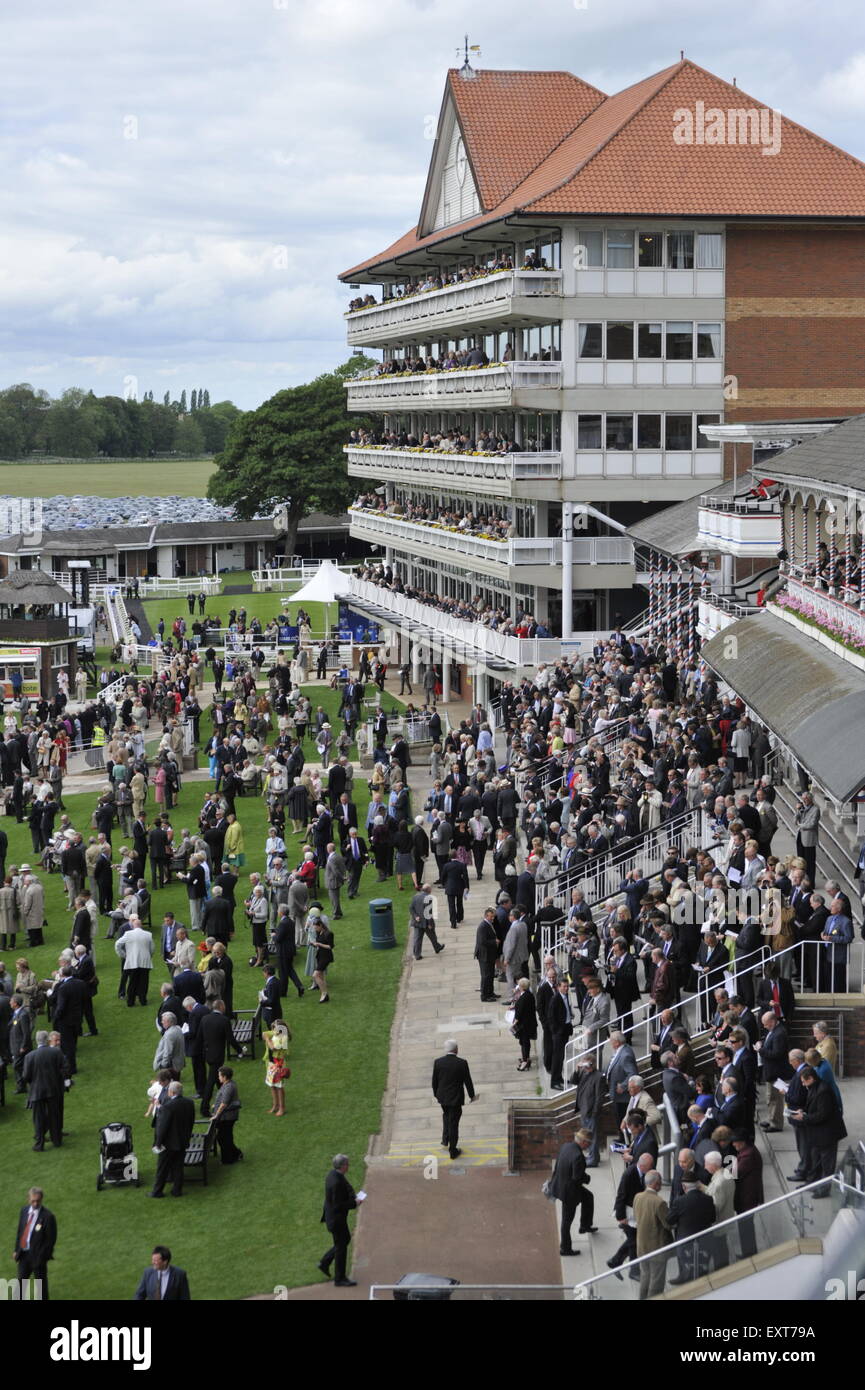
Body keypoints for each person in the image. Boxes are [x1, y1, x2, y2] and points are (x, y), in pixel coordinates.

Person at [319, 1153, 365, 1288]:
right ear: (343, 1166)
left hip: (333, 1217)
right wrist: (355, 1203)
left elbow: (342, 1193)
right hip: (336, 1220)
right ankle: (339, 1279)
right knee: (342, 1246)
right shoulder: (337, 1182)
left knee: (343, 1241)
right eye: (347, 1164)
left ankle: (325, 1262)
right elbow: (338, 1205)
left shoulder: (332, 1174)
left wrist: (353, 1196)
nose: (349, 1166)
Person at [548, 1128, 595, 1256]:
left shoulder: (566, 1146)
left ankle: (585, 1225)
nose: (590, 1145)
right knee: (566, 1221)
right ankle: (565, 1248)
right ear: (584, 1142)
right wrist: (587, 1178)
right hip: (569, 1192)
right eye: (589, 1143)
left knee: (588, 1197)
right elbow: (577, 1177)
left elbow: (559, 1166)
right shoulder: (578, 1156)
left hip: (561, 1185)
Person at [148, 1080, 196, 1199]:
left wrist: (158, 1143)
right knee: (178, 1166)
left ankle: (157, 1192)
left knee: (162, 1168)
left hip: (169, 1143)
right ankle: (177, 1190)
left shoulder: (168, 1107)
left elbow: (162, 1127)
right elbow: (191, 1121)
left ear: (171, 1092)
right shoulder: (189, 1103)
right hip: (183, 1140)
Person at [431, 1039, 476, 1160]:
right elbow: (468, 1081)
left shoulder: (438, 1062)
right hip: (455, 1098)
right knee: (453, 1123)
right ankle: (453, 1150)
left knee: (446, 1115)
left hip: (443, 1097)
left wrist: (437, 1095)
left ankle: (445, 1139)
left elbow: (434, 1081)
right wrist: (472, 1096)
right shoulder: (462, 1063)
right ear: (456, 1049)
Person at [22, 1029, 66, 1150]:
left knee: (38, 1119)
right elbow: (63, 1069)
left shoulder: (29, 1056)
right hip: (53, 1090)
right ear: (47, 1040)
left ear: (37, 1041)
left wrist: (33, 1082)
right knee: (54, 1116)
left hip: (36, 1091)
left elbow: (25, 1076)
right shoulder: (56, 1052)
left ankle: (39, 1144)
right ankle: (56, 1141)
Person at [633, 1169, 671, 1300]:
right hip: (657, 1249)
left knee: (645, 1277)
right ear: (656, 1184)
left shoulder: (637, 1197)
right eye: (660, 1182)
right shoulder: (659, 1202)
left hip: (642, 1247)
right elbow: (668, 1224)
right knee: (656, 1282)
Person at [13, 1187, 57, 1299]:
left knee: (41, 1289)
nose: (35, 1203)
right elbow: (20, 1231)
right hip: (24, 1255)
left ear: (41, 1199)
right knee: (20, 1286)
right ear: (28, 1199)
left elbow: (50, 1240)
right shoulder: (24, 1211)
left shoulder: (48, 1217)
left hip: (38, 1258)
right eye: (33, 1201)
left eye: (38, 1200)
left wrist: (42, 1257)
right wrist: (16, 1250)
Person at [731, 1131, 764, 1258]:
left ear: (742, 1142)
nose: (734, 1145)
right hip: (748, 1196)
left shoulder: (748, 1155)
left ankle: (749, 1253)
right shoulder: (748, 1151)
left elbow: (735, 1174)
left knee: (746, 1227)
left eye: (735, 1142)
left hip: (747, 1198)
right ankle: (748, 1252)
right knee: (746, 1226)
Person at [211, 1065, 243, 1164]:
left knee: (223, 1138)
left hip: (227, 1117)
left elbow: (224, 1103)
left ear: (225, 1077)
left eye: (220, 1075)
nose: (218, 1077)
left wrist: (216, 1115)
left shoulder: (229, 1087)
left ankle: (228, 1159)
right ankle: (235, 1154)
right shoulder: (228, 1084)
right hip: (226, 1117)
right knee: (225, 1137)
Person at [263, 1019, 291, 1117]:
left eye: (274, 1028)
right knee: (272, 1085)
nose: (273, 1030)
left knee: (279, 1087)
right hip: (271, 1064)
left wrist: (267, 1039)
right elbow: (264, 1034)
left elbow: (273, 1048)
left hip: (278, 1065)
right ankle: (275, 1105)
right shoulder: (275, 1035)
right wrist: (268, 1036)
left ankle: (282, 1108)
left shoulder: (283, 1038)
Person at [409, 884, 444, 960]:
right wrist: (430, 924)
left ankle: (417, 955)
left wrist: (415, 916)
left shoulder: (415, 896)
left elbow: (411, 908)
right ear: (429, 890)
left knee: (417, 939)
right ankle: (437, 947)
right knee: (432, 936)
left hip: (417, 922)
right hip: (426, 923)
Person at [474, 907, 500, 1002]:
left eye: (493, 916)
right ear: (486, 916)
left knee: (490, 974)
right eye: (491, 917)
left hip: (490, 954)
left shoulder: (489, 924)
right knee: (486, 976)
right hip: (484, 955)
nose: (493, 918)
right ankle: (484, 996)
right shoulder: (483, 926)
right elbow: (482, 941)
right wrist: (494, 941)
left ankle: (490, 992)